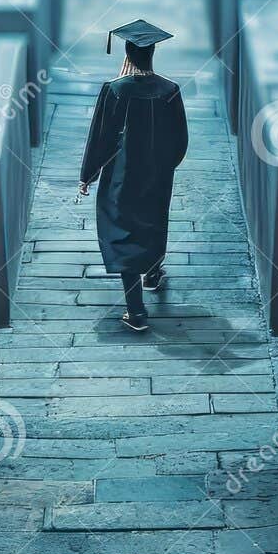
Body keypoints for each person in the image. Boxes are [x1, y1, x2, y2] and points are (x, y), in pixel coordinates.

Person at [78, 19, 189, 333]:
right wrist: (165, 166)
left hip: (121, 176)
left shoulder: (115, 90)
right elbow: (181, 140)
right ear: (152, 53)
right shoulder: (170, 90)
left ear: (127, 53)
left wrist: (88, 174)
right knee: (152, 222)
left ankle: (136, 311)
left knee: (123, 230)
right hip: (157, 174)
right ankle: (153, 274)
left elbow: (100, 136)